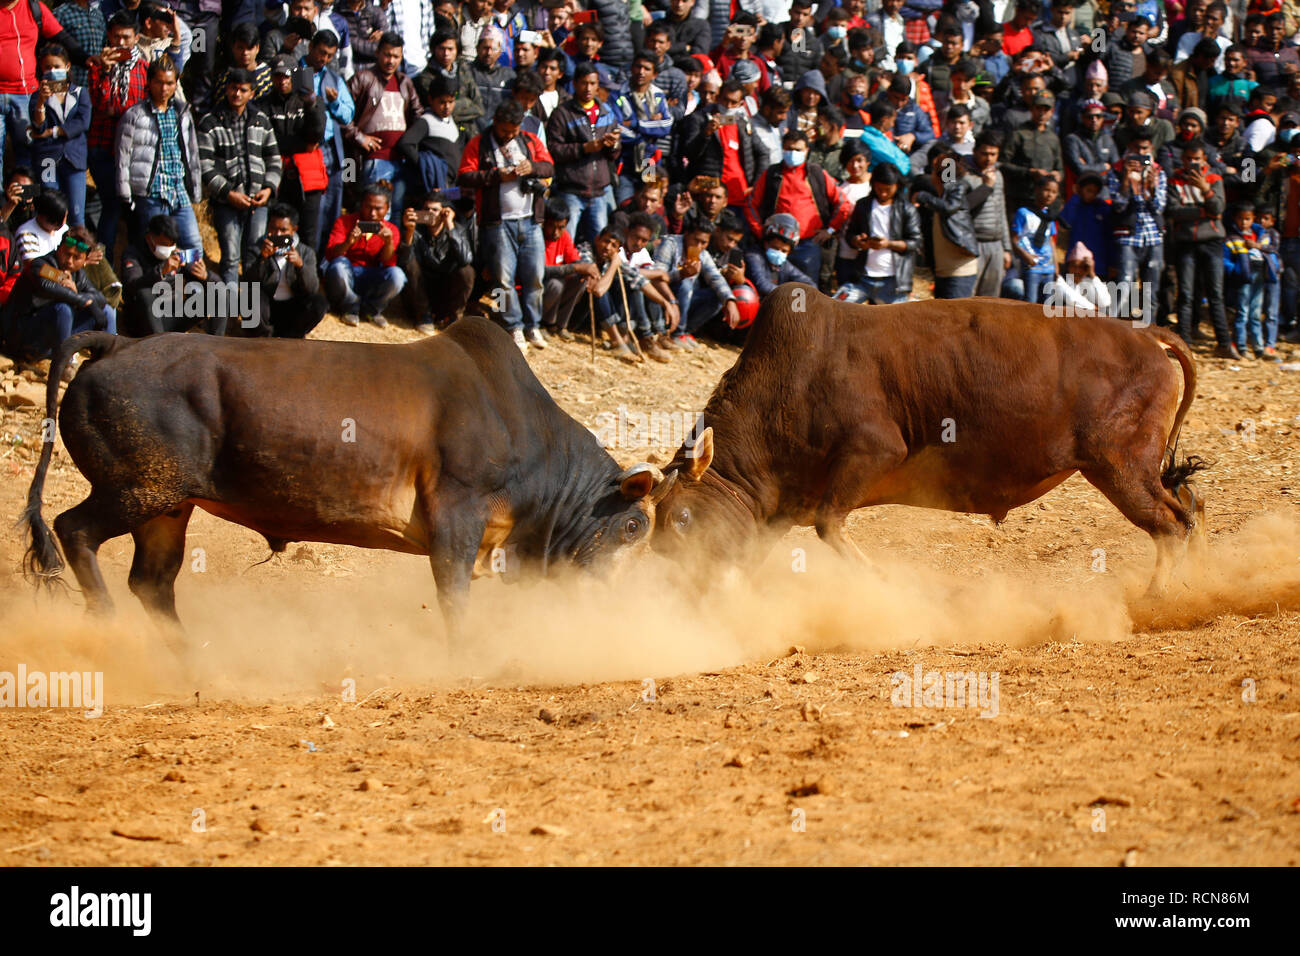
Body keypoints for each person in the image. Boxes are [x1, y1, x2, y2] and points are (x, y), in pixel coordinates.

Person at [457, 98, 554, 351]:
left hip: (531, 220)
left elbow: (549, 166)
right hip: (497, 223)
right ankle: (512, 327)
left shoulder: (530, 141)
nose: (509, 135)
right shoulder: (479, 144)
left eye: (514, 131)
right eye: (505, 130)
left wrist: (531, 167)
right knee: (502, 279)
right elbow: (465, 176)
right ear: (495, 122)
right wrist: (496, 176)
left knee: (535, 277)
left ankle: (533, 325)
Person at [198, 69, 282, 285]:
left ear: (251, 93)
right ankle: (228, 308)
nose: (237, 94)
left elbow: (273, 158)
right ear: (226, 89)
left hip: (258, 202)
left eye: (243, 90)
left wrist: (269, 188)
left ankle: (251, 312)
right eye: (233, 88)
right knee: (230, 257)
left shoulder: (260, 120)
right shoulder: (210, 121)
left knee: (254, 255)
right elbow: (205, 166)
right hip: (226, 203)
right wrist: (228, 193)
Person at [116, 56, 202, 253]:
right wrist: (125, 195)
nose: (164, 88)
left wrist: (195, 189)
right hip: (150, 195)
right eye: (159, 82)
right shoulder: (134, 115)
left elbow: (192, 153)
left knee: (193, 246)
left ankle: (190, 284)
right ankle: (153, 284)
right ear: (149, 82)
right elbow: (123, 157)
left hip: (178, 191)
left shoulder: (182, 112)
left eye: (170, 83)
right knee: (154, 249)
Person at [745, 128, 852, 280]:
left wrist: (830, 230)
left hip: (808, 245)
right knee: (774, 291)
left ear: (807, 150)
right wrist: (761, 232)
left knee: (806, 290)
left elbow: (842, 204)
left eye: (798, 149)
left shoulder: (816, 173)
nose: (793, 153)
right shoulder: (772, 174)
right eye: (789, 149)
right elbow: (751, 204)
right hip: (776, 246)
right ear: (783, 149)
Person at [2, 226, 113, 362]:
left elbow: (100, 298)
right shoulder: (43, 265)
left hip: (51, 338)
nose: (69, 261)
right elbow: (48, 285)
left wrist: (79, 295)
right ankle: (65, 362)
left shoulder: (78, 275)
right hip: (24, 336)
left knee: (107, 310)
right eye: (67, 253)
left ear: (85, 260)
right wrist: (82, 300)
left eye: (76, 257)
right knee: (63, 308)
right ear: (59, 248)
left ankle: (109, 359)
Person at [86, 11, 147, 254]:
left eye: (126, 37)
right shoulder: (97, 66)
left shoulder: (143, 68)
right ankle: (105, 263)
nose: (120, 43)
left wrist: (115, 112)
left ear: (136, 37)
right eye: (116, 37)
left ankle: (132, 264)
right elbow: (99, 104)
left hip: (133, 151)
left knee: (133, 208)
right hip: (102, 144)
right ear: (108, 36)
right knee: (111, 204)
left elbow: (141, 110)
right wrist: (103, 71)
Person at [1167, 140, 1234, 354]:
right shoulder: (1175, 179)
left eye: (1197, 159)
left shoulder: (1214, 178)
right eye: (1188, 159)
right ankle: (1183, 342)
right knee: (1185, 293)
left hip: (1212, 242)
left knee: (1215, 293)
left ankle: (1224, 343)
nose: (1192, 163)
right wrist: (1205, 212)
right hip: (1186, 241)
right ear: (1183, 159)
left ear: (1204, 159)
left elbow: (1219, 206)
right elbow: (1173, 210)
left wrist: (1205, 190)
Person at [545, 63, 620, 245]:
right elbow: (553, 149)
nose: (588, 88)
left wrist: (612, 145)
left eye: (593, 84)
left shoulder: (607, 113)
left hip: (599, 191)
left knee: (601, 242)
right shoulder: (562, 114)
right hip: (572, 190)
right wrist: (584, 148)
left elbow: (615, 154)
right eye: (584, 83)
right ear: (575, 84)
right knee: (564, 240)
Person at [263, 53, 327, 254]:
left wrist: (310, 104)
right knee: (275, 231)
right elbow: (268, 142)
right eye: (278, 76)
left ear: (296, 76)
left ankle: (307, 276)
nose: (283, 81)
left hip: (308, 178)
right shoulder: (262, 103)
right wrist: (299, 145)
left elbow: (317, 136)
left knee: (309, 234)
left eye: (288, 76)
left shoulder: (311, 102)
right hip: (277, 176)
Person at [342, 31, 421, 190]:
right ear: (377, 53)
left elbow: (418, 114)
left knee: (397, 211)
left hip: (400, 159)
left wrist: (410, 143)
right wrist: (359, 137)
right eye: (387, 55)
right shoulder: (363, 78)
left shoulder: (405, 82)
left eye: (396, 56)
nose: (391, 61)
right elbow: (341, 114)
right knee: (373, 209)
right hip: (372, 159)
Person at [117, 212, 216, 335]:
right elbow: (132, 285)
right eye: (164, 244)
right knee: (145, 293)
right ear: (149, 238)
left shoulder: (177, 254)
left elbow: (217, 282)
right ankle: (159, 346)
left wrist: (207, 277)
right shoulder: (133, 253)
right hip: (145, 322)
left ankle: (217, 343)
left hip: (173, 316)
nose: (168, 248)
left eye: (172, 244)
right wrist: (160, 272)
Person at [322, 182, 405, 327]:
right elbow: (331, 255)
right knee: (338, 266)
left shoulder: (391, 230)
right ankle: (350, 307)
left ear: (387, 208)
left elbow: (388, 263)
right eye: (368, 207)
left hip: (372, 276)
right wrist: (349, 242)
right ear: (361, 204)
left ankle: (371, 310)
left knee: (398, 276)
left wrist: (388, 242)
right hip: (347, 275)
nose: (372, 213)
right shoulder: (345, 221)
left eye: (378, 209)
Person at [26, 43, 90, 226]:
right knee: (50, 210)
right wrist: (41, 102)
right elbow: (38, 127)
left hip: (74, 158)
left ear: (67, 67)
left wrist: (52, 132)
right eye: (48, 67)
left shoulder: (80, 93)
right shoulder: (37, 96)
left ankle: (76, 249)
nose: (52, 71)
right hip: (47, 158)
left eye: (57, 66)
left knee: (77, 214)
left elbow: (82, 123)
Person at [838, 162, 920, 304]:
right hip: (862, 276)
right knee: (836, 309)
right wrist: (857, 241)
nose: (882, 193)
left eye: (888, 189)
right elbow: (850, 234)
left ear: (897, 186)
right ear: (873, 185)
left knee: (895, 324)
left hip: (894, 281)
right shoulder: (863, 205)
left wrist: (888, 244)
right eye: (879, 188)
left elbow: (916, 243)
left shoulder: (907, 209)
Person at [1106, 134, 1165, 324]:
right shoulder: (1116, 171)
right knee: (1124, 286)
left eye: (1145, 150)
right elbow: (1118, 206)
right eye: (1136, 149)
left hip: (1153, 236)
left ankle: (1150, 336)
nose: (1140, 154)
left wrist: (1151, 185)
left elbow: (1159, 206)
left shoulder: (1158, 172)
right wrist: (1125, 180)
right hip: (1127, 236)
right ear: (1129, 150)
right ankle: (1117, 334)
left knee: (1151, 290)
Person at [397, 189, 474, 334]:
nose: (430, 212)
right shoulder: (416, 230)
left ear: (445, 211)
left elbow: (466, 259)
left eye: (435, 209)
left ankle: (453, 318)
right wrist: (409, 232)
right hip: (420, 291)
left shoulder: (457, 229)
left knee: (467, 271)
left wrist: (450, 226)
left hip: (445, 292)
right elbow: (404, 261)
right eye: (426, 209)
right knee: (411, 263)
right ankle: (424, 317)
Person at [914, 144, 982, 299]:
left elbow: (949, 205)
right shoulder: (941, 198)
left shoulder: (954, 193)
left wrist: (922, 196)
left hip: (959, 272)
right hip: (944, 272)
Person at [248, 203, 326, 338]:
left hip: (292, 310)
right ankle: (262, 336)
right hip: (267, 309)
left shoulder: (305, 252)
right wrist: (262, 259)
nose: (277, 234)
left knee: (319, 303)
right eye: (273, 228)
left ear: (293, 230)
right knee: (250, 295)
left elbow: (312, 288)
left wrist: (300, 265)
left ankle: (292, 337)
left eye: (283, 230)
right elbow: (248, 282)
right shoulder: (257, 248)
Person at [540, 197, 598, 340]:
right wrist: (576, 267)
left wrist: (584, 270)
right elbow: (541, 271)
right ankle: (542, 323)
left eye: (561, 227)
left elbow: (574, 258)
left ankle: (560, 325)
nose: (555, 232)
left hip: (555, 288)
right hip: (537, 288)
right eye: (551, 226)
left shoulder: (564, 236)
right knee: (556, 284)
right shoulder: (537, 238)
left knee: (581, 280)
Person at [1011, 173, 1060, 304]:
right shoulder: (1023, 213)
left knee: (1047, 304)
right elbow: (1014, 240)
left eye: (1054, 192)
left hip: (1048, 268)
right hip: (1032, 267)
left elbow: (1051, 241)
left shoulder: (1049, 216)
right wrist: (1026, 256)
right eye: (1047, 190)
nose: (1050, 195)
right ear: (1037, 190)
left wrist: (1055, 265)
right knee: (1030, 303)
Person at [744, 212, 816, 298]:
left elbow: (808, 282)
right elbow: (762, 285)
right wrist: (790, 296)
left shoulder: (784, 265)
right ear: (766, 243)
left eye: (784, 251)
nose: (779, 253)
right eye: (775, 248)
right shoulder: (753, 256)